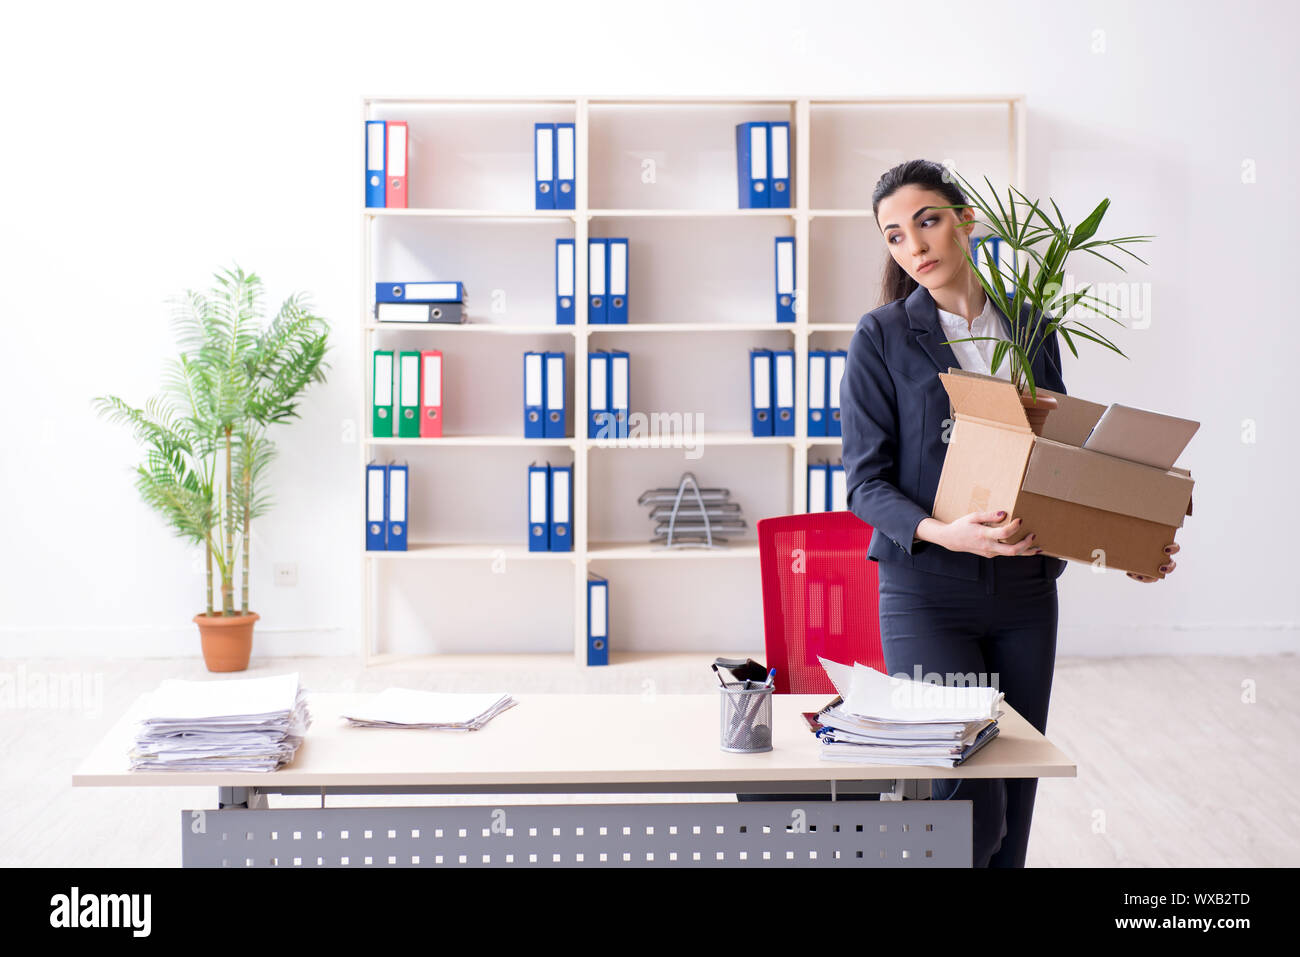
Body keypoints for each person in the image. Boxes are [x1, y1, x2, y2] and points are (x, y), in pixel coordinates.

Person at [839, 158, 1181, 867]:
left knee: (1013, 812)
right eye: (895, 236)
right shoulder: (883, 336)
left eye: (927, 221)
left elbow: (1054, 464)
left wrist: (1127, 544)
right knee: (968, 808)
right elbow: (865, 484)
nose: (915, 246)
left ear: (967, 221)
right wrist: (946, 531)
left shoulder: (1028, 325)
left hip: (1026, 593)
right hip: (929, 590)